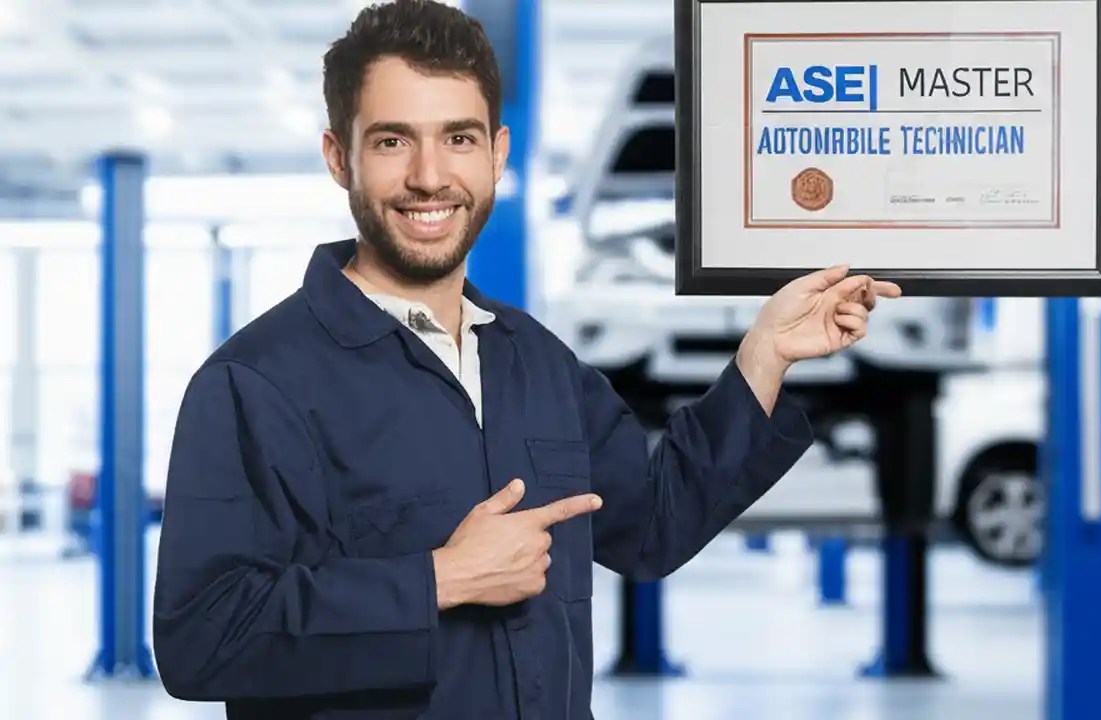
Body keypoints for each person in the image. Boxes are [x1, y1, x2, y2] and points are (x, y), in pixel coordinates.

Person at [151, 1, 902, 718]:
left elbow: (653, 525)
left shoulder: (535, 362)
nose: (429, 176)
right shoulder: (255, 383)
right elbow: (200, 640)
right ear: (338, 158)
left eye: (459, 138)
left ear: (498, 155)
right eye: (391, 141)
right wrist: (438, 580)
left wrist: (765, 355)